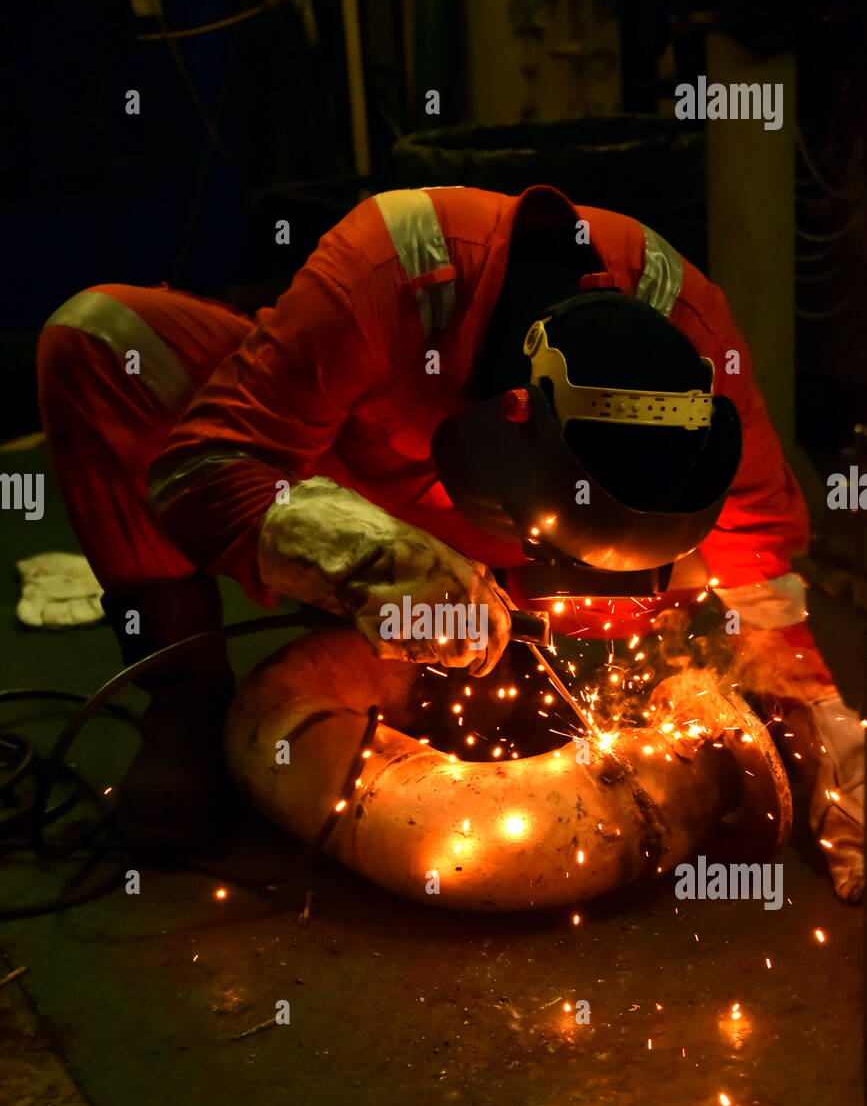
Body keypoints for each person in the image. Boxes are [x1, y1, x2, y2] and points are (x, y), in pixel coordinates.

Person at [35, 185, 863, 899]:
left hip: (509, 554)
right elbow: (202, 471)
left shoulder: (688, 328)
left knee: (695, 593)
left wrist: (826, 727)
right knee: (98, 335)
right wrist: (368, 559)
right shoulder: (386, 267)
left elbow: (761, 559)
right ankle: (184, 699)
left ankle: (526, 661)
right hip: (357, 477)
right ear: (512, 424)